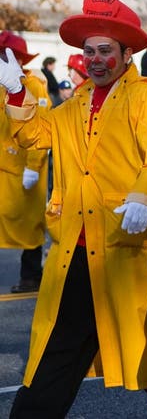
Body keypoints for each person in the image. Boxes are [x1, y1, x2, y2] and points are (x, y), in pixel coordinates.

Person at [0, 0, 147, 418]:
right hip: (77, 253)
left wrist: (142, 198)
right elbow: (37, 135)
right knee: (58, 353)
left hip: (126, 253)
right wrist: (17, 90)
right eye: (89, 51)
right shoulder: (78, 102)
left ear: (127, 54)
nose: (96, 59)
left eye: (105, 51)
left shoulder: (144, 98)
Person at [0, 32, 51, 294]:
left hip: (24, 168)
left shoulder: (35, 85)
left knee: (29, 224)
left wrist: (33, 165)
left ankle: (31, 275)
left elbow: (40, 128)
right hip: (4, 167)